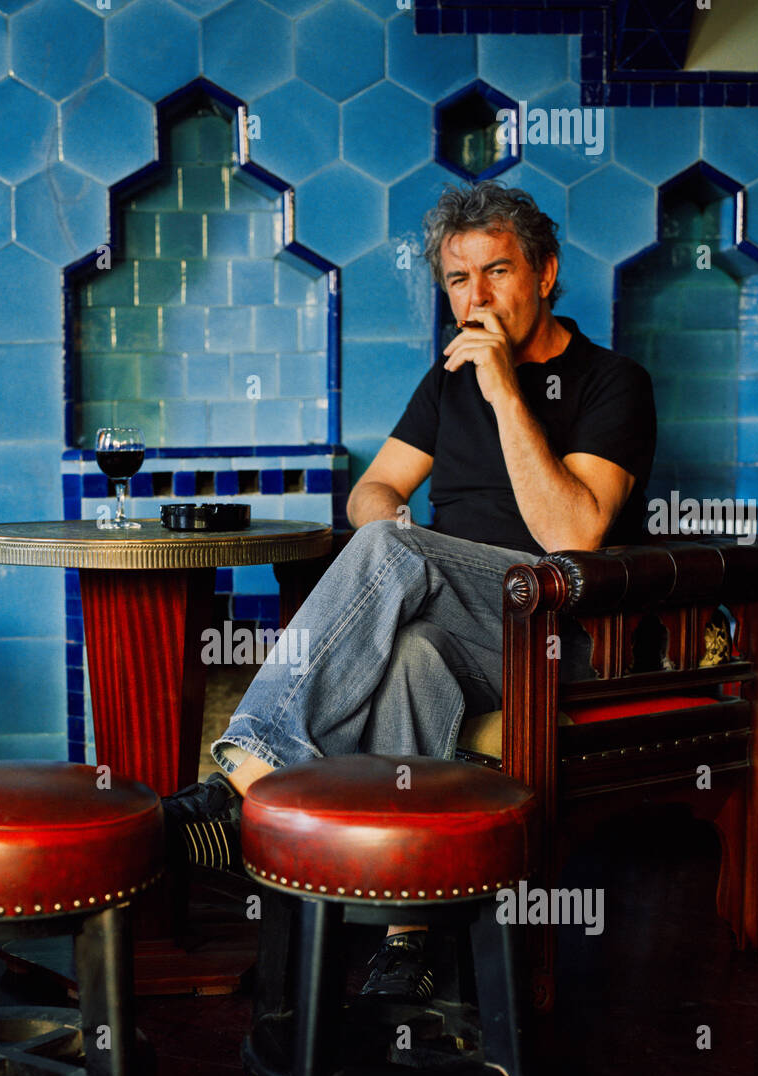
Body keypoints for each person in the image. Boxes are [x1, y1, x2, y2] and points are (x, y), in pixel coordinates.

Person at [164, 181, 656, 1009]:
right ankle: (405, 940)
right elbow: (374, 490)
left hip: (553, 630)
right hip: (455, 625)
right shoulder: (446, 377)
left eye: (497, 272)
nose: (478, 298)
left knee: (391, 554)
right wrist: (389, 526)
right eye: (459, 281)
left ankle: (248, 763)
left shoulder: (613, 382)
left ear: (545, 272)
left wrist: (503, 390)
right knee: (411, 651)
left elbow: (573, 536)